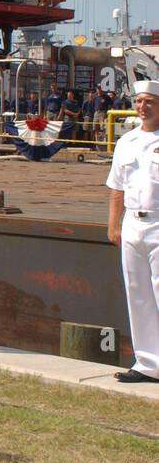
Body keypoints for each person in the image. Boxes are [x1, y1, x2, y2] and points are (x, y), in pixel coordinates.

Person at [105, 80, 159, 383]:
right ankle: (148, 363)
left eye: (149, 101)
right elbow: (116, 187)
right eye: (139, 101)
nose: (142, 107)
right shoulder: (127, 141)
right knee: (137, 294)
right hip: (133, 224)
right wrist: (114, 224)